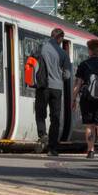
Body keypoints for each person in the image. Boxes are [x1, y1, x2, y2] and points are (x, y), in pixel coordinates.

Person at [34, 28, 71, 156]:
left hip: (42, 85)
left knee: (40, 113)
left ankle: (42, 134)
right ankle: (52, 148)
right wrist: (58, 73)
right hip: (57, 88)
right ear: (60, 39)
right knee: (55, 118)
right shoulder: (63, 53)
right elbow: (67, 75)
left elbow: (32, 61)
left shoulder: (41, 48)